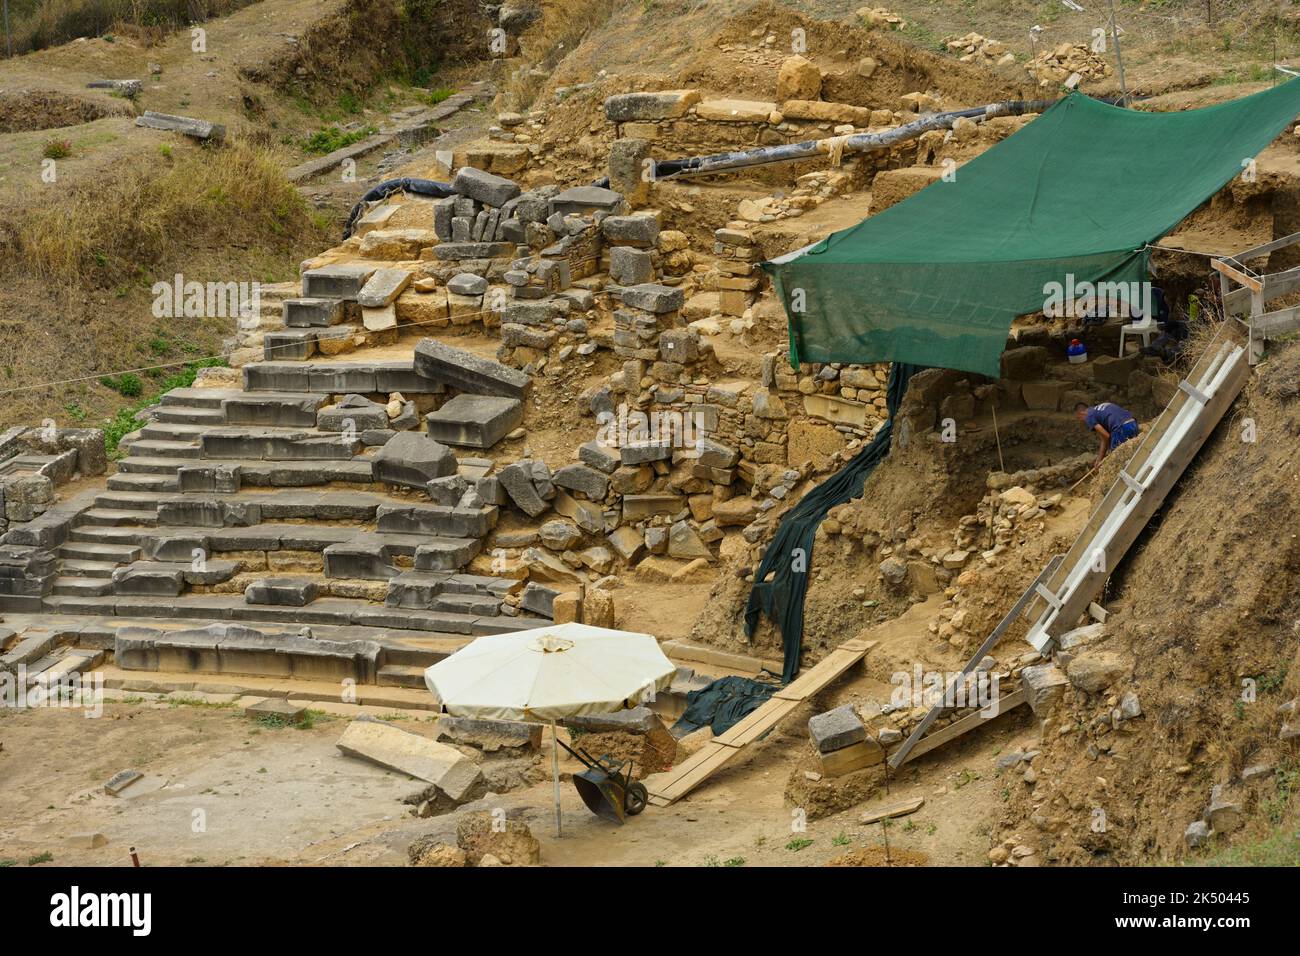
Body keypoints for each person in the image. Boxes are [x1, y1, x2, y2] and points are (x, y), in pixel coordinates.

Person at [1076, 401, 1139, 468]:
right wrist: (1099, 459)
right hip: (1132, 424)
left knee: (1118, 462)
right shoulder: (1098, 410)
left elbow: (1107, 436)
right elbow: (1104, 439)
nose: (1081, 421)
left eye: (1079, 418)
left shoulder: (1088, 416)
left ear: (1081, 413)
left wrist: (1112, 452)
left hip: (1121, 429)